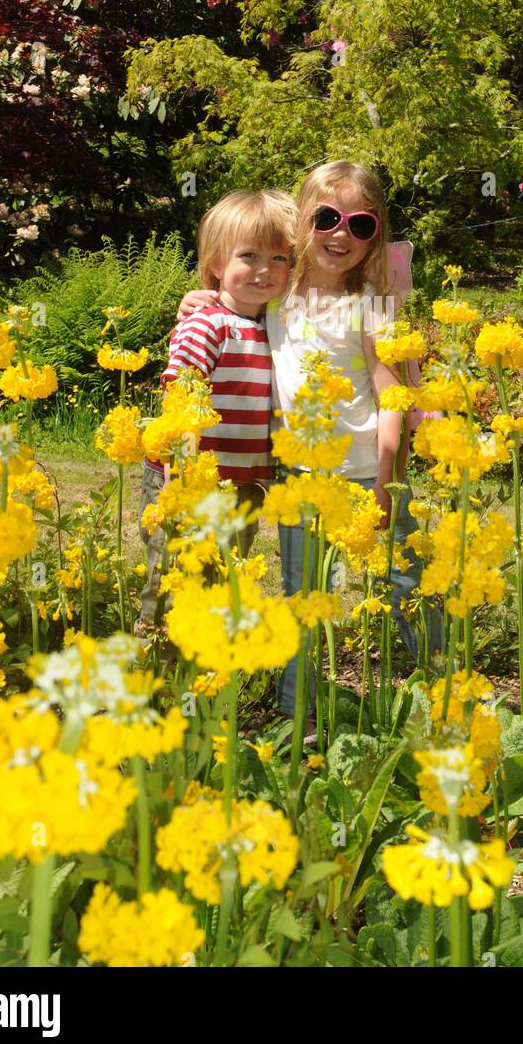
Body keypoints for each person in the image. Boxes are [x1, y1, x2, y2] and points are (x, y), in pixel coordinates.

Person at [177, 161, 443, 721]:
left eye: (361, 224)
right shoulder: (281, 291)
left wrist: (390, 480)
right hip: (300, 475)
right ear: (302, 220)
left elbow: (392, 391)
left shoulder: (371, 304)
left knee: (408, 586)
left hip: (370, 470)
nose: (341, 233)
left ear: (376, 235)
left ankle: (441, 695)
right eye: (326, 218)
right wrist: (197, 299)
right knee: (303, 595)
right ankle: (297, 715)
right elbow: (233, 297)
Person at [135, 188, 297, 637]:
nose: (265, 269)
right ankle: (156, 688)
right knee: (173, 588)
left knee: (223, 589)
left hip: (244, 486)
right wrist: (177, 477)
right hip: (189, 482)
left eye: (280, 258)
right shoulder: (206, 324)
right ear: (215, 267)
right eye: (249, 255)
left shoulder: (276, 326)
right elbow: (180, 401)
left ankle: (206, 693)